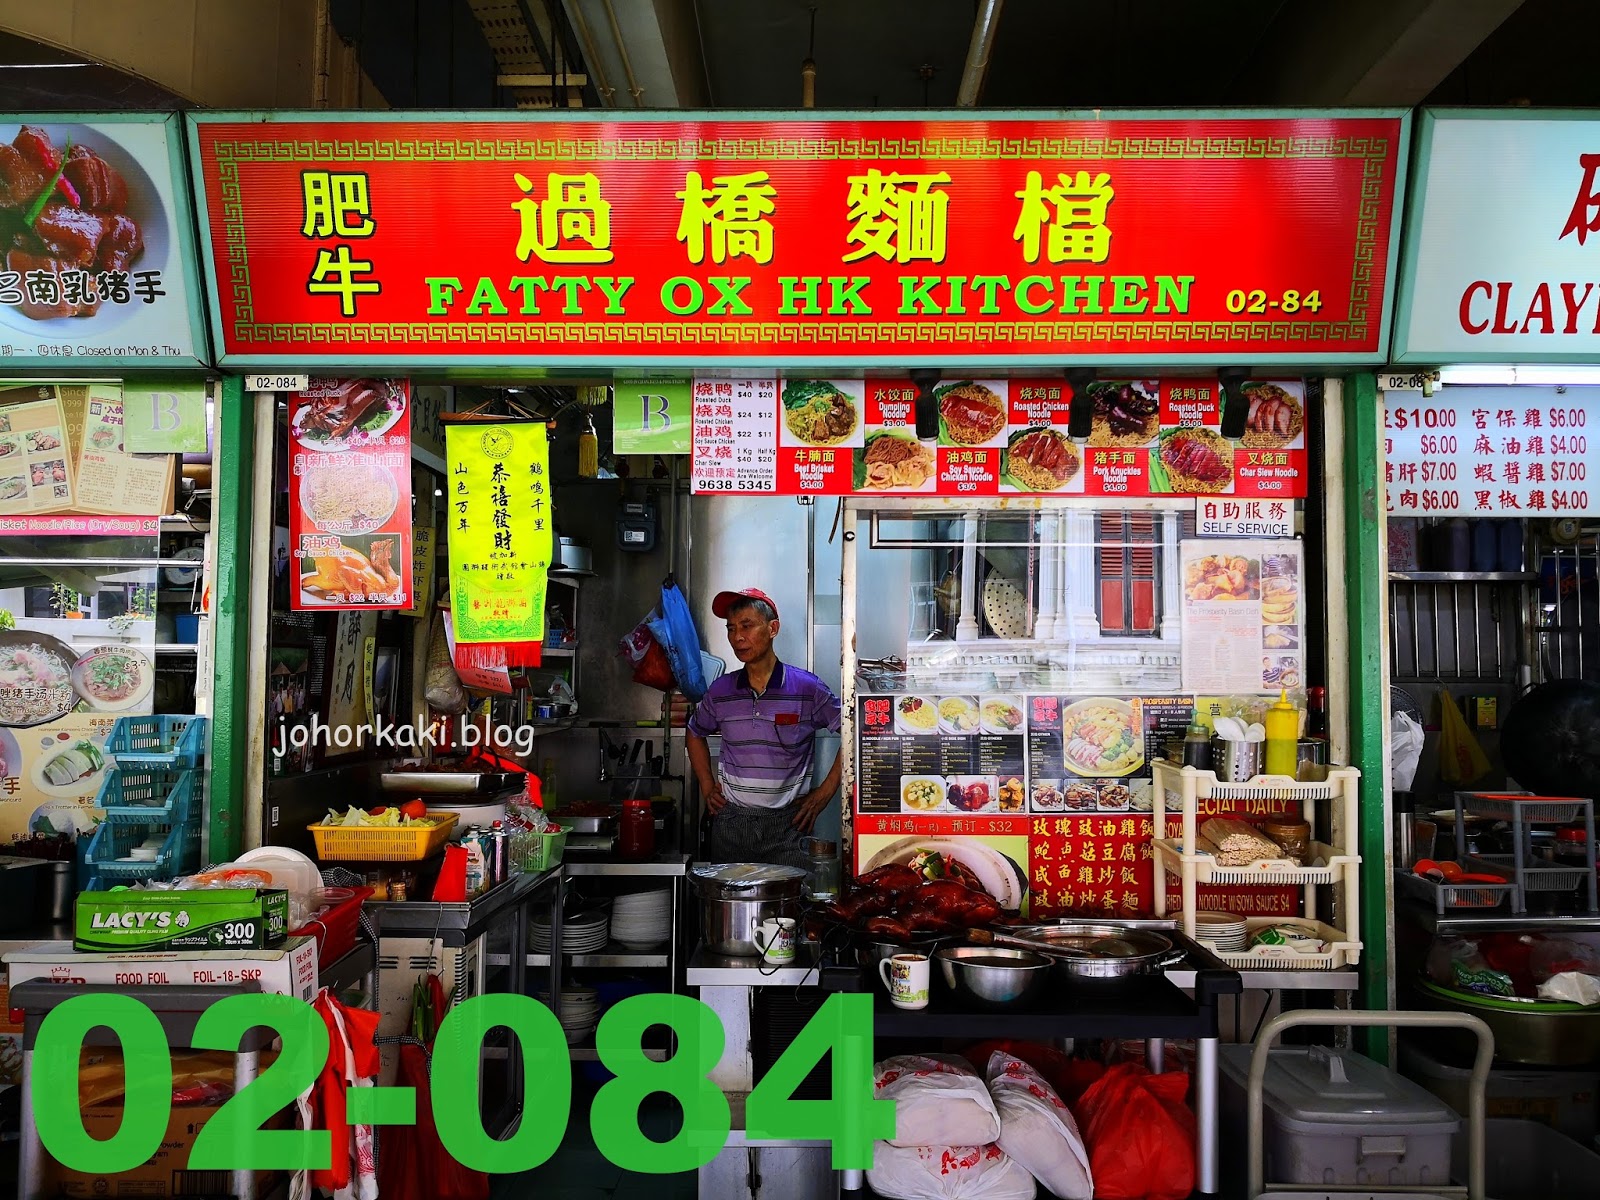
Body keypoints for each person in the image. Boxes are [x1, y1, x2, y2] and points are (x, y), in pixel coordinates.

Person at [687, 587, 841, 869]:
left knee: (790, 896)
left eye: (747, 626)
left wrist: (825, 793)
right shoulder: (721, 691)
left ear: (773, 629)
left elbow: (854, 732)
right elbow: (694, 732)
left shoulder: (807, 689)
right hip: (732, 826)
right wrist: (707, 786)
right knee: (730, 895)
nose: (737, 637)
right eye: (731, 628)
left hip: (789, 827)